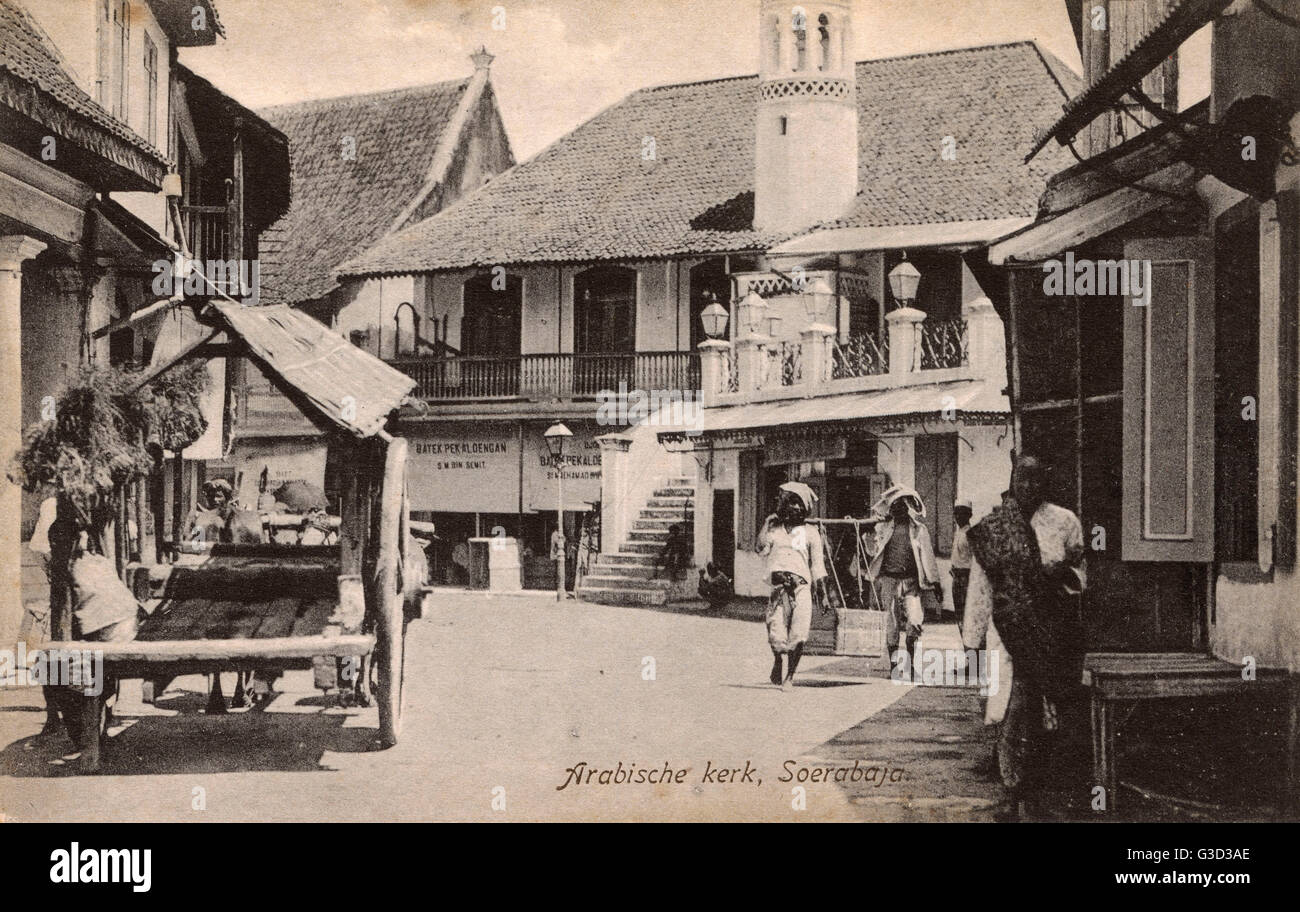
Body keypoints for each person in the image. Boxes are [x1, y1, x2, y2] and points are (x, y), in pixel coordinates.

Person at [962, 455, 1085, 818]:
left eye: (1035, 479)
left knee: (1047, 712)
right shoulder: (995, 527)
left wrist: (1059, 574)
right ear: (1012, 480)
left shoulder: (1064, 521)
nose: (1028, 486)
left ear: (1045, 482)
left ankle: (1034, 791)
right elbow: (980, 587)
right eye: (1022, 478)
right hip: (1006, 632)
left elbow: (1081, 571)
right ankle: (1014, 794)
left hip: (1050, 629)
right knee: (1008, 711)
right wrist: (972, 640)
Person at [756, 482, 827, 690]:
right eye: (792, 502)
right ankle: (778, 661)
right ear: (785, 505)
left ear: (805, 508)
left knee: (798, 633)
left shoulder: (811, 532)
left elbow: (818, 566)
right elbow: (760, 549)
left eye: (800, 504)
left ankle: (790, 676)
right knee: (776, 633)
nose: (796, 507)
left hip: (801, 588)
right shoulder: (775, 530)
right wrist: (767, 522)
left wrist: (822, 595)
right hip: (779, 588)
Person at [865, 486, 940, 681]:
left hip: (911, 582)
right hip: (889, 579)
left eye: (902, 505)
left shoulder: (918, 529)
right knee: (891, 623)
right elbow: (872, 551)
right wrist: (867, 534)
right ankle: (894, 666)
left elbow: (928, 556)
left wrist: (935, 583)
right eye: (895, 505)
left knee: (914, 621)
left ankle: (912, 664)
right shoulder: (882, 528)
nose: (899, 509)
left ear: (908, 507)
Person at [950, 499, 974, 629]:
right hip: (957, 577)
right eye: (956, 513)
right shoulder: (958, 533)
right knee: (959, 616)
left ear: (969, 515)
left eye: (962, 513)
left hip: (966, 578)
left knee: (967, 615)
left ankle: (973, 648)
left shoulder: (971, 534)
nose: (958, 517)